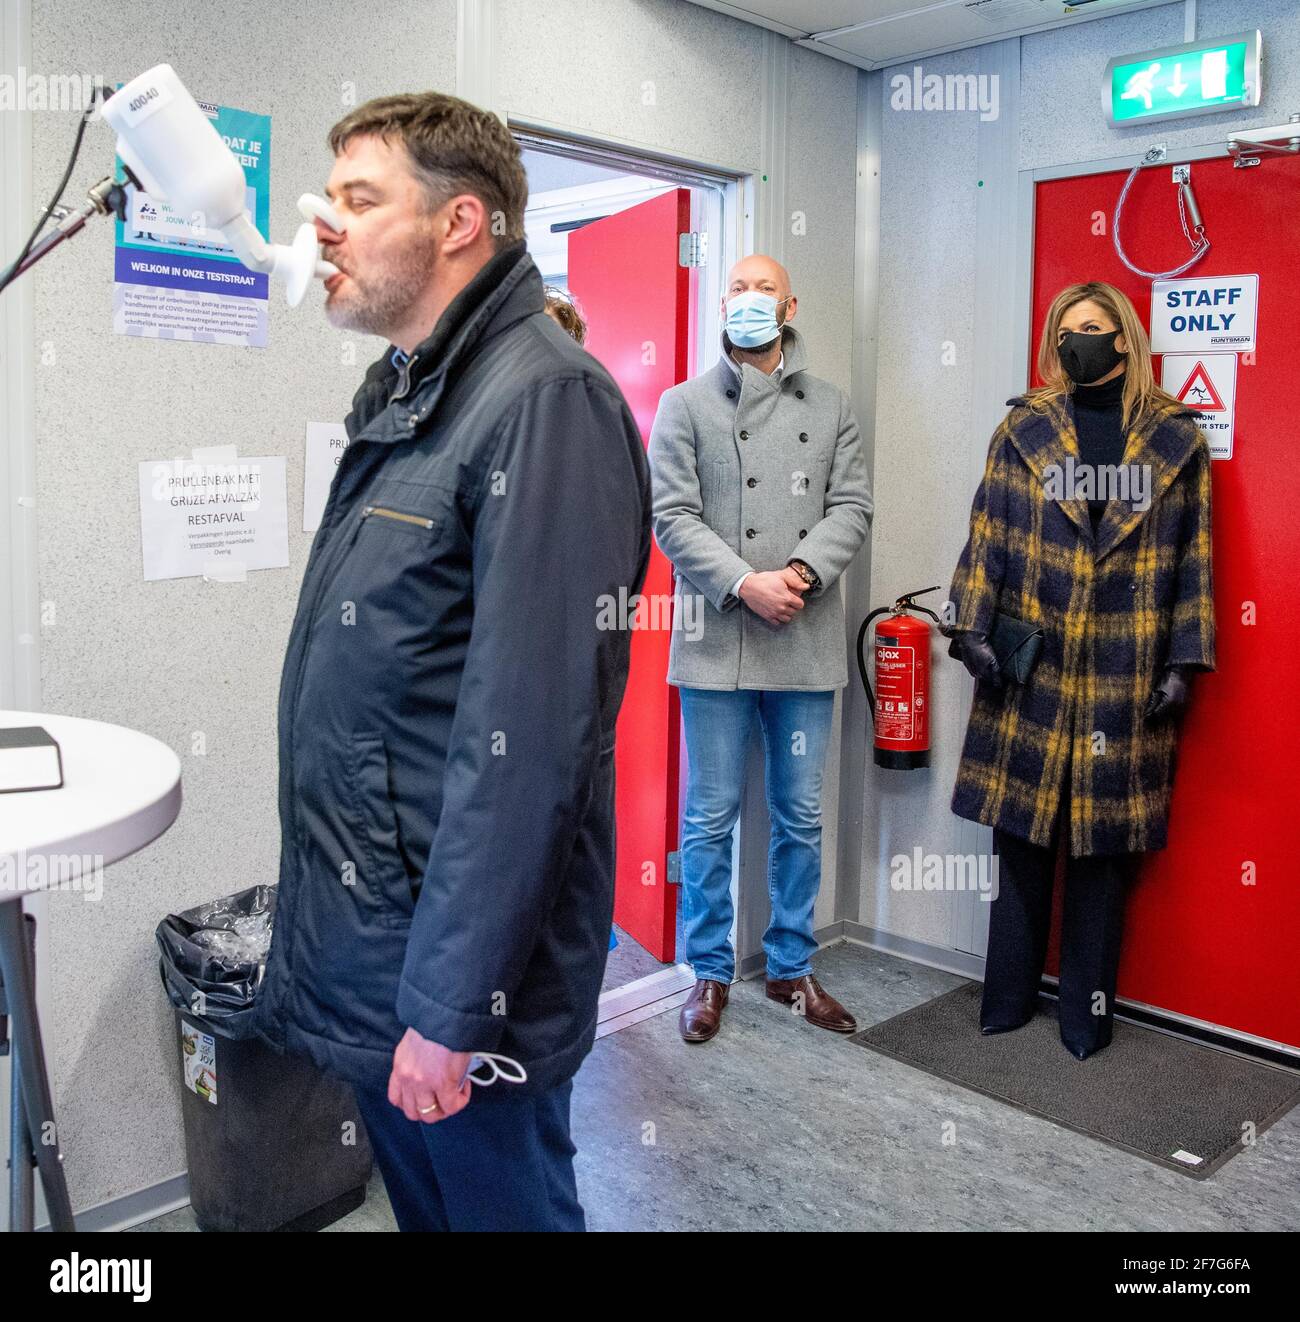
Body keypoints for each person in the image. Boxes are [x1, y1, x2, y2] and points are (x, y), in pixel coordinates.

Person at [253, 91, 652, 1230]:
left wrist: (448, 1011)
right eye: (328, 198)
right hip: (385, 947)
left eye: (358, 199)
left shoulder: (546, 404)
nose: (322, 224)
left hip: (464, 988)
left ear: (460, 222)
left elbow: (529, 742)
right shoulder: (407, 391)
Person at [943, 280, 1215, 1059]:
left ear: (1124, 339)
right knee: (1021, 838)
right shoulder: (1024, 427)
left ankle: (1084, 1018)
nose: (1075, 342)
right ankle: (1006, 1000)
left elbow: (1196, 559)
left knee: (1103, 850)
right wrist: (969, 627)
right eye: (1066, 330)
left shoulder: (1175, 437)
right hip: (1031, 654)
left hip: (1127, 663)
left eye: (1091, 329)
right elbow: (986, 532)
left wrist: (1184, 661)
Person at [648, 254, 872, 1044]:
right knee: (708, 818)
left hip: (804, 636)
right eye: (738, 289)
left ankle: (790, 968)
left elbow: (852, 505)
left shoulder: (832, 405)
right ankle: (707, 974)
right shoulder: (683, 403)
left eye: (763, 289)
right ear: (723, 302)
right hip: (719, 638)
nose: (749, 300)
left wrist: (801, 575)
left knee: (800, 816)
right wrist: (746, 583)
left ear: (790, 304)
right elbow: (672, 517)